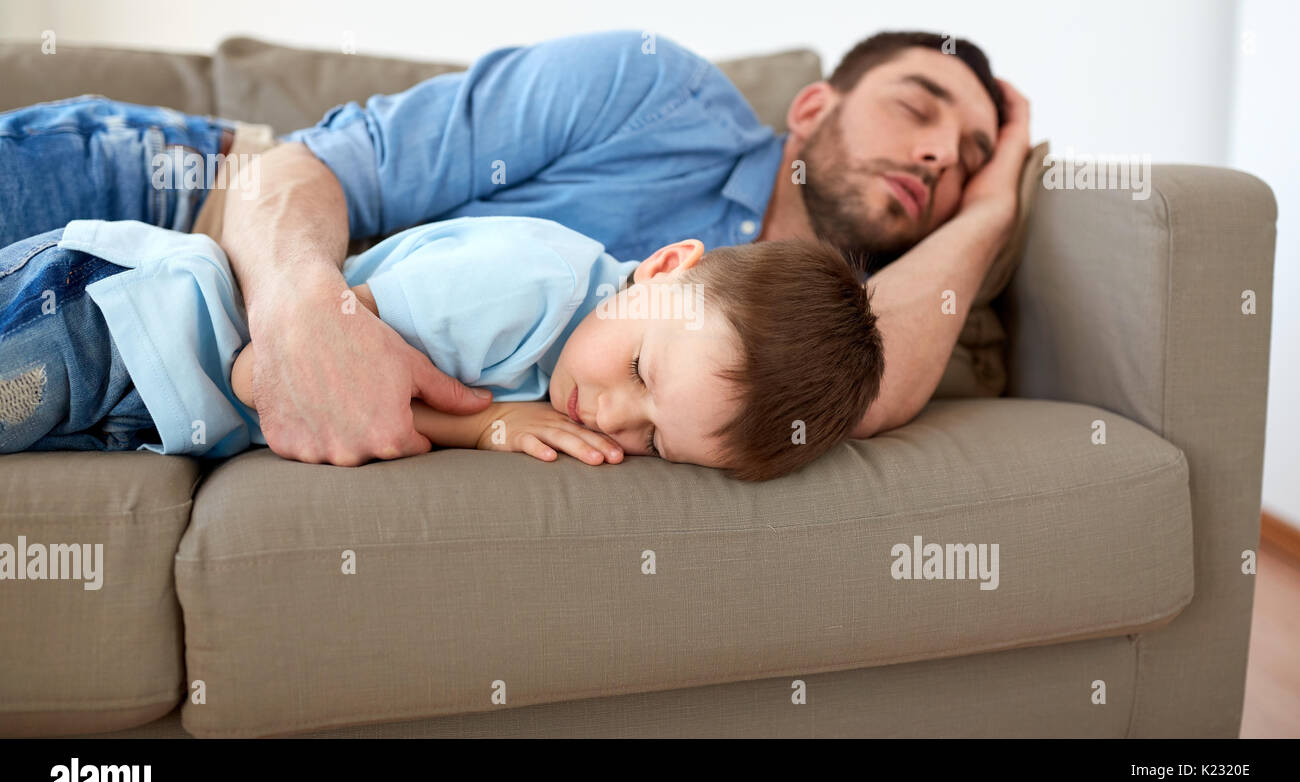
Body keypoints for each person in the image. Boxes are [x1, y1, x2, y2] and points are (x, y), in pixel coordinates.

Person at [0, 28, 1028, 465]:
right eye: (919, 106)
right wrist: (306, 312)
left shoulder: (785, 344)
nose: (940, 152)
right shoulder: (648, 87)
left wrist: (990, 213)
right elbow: (302, 174)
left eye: (971, 155)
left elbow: (877, 382)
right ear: (813, 106)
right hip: (176, 192)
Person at [0, 214, 884, 482]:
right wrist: (489, 425)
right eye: (642, 372)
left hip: (151, 410)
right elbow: (302, 365)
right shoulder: (524, 287)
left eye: (655, 438)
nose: (613, 418)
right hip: (118, 322)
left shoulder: (582, 353)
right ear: (661, 267)